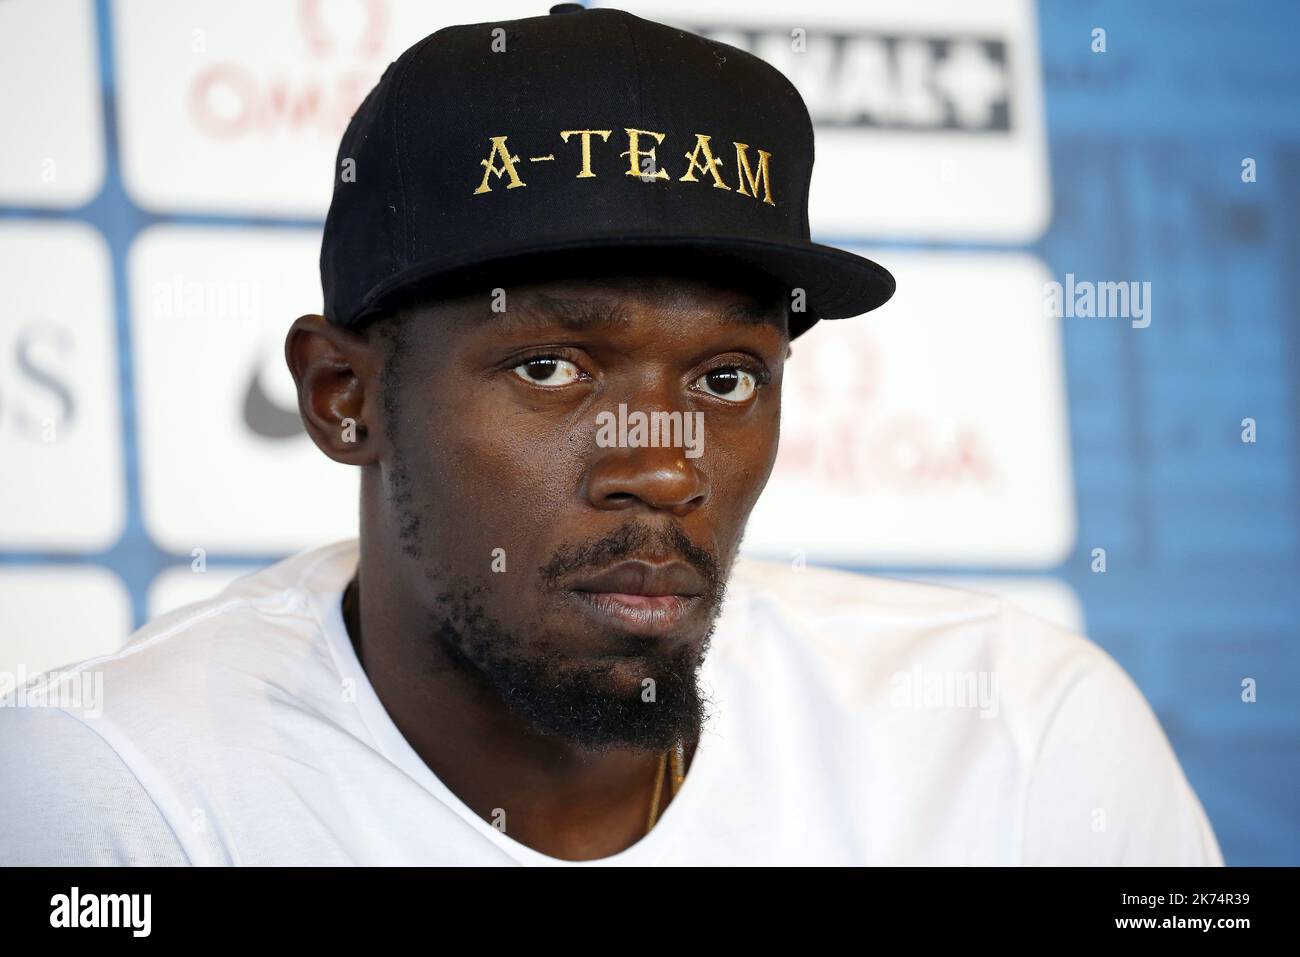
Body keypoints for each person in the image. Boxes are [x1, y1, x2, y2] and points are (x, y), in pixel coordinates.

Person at [0, 4, 1221, 865]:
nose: (664, 463)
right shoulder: (123, 781)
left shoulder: (1018, 732)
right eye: (551, 367)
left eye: (727, 378)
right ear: (342, 396)